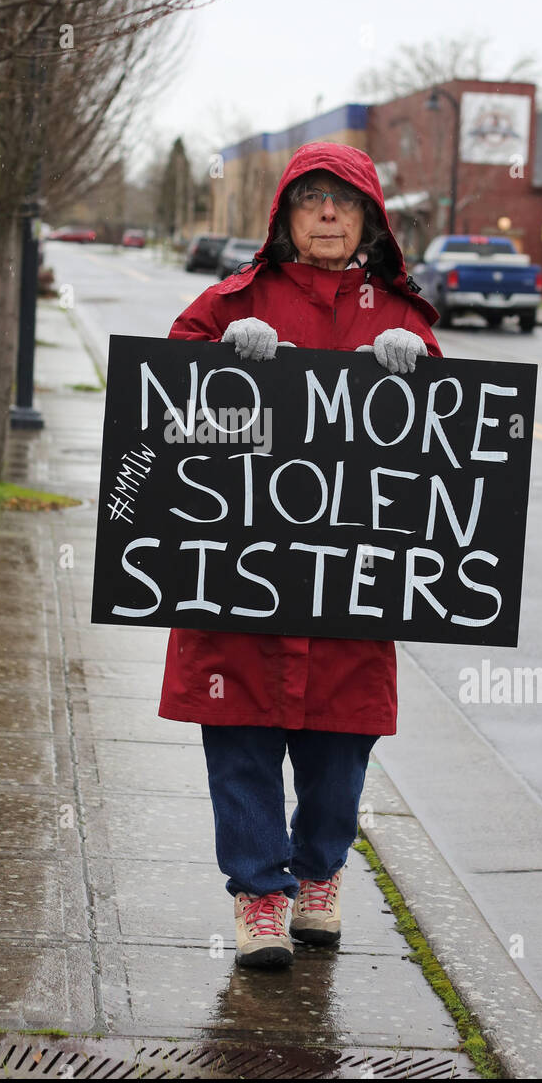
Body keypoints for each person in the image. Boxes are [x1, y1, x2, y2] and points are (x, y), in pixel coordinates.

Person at [159, 142, 442, 968]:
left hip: (346, 592)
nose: (326, 213)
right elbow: (164, 404)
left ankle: (319, 875)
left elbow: (443, 450)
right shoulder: (228, 302)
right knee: (239, 741)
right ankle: (258, 894)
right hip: (239, 584)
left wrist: (419, 370)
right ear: (285, 213)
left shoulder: (398, 314)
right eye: (311, 199)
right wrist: (212, 355)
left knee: (337, 751)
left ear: (368, 220)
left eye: (343, 201)